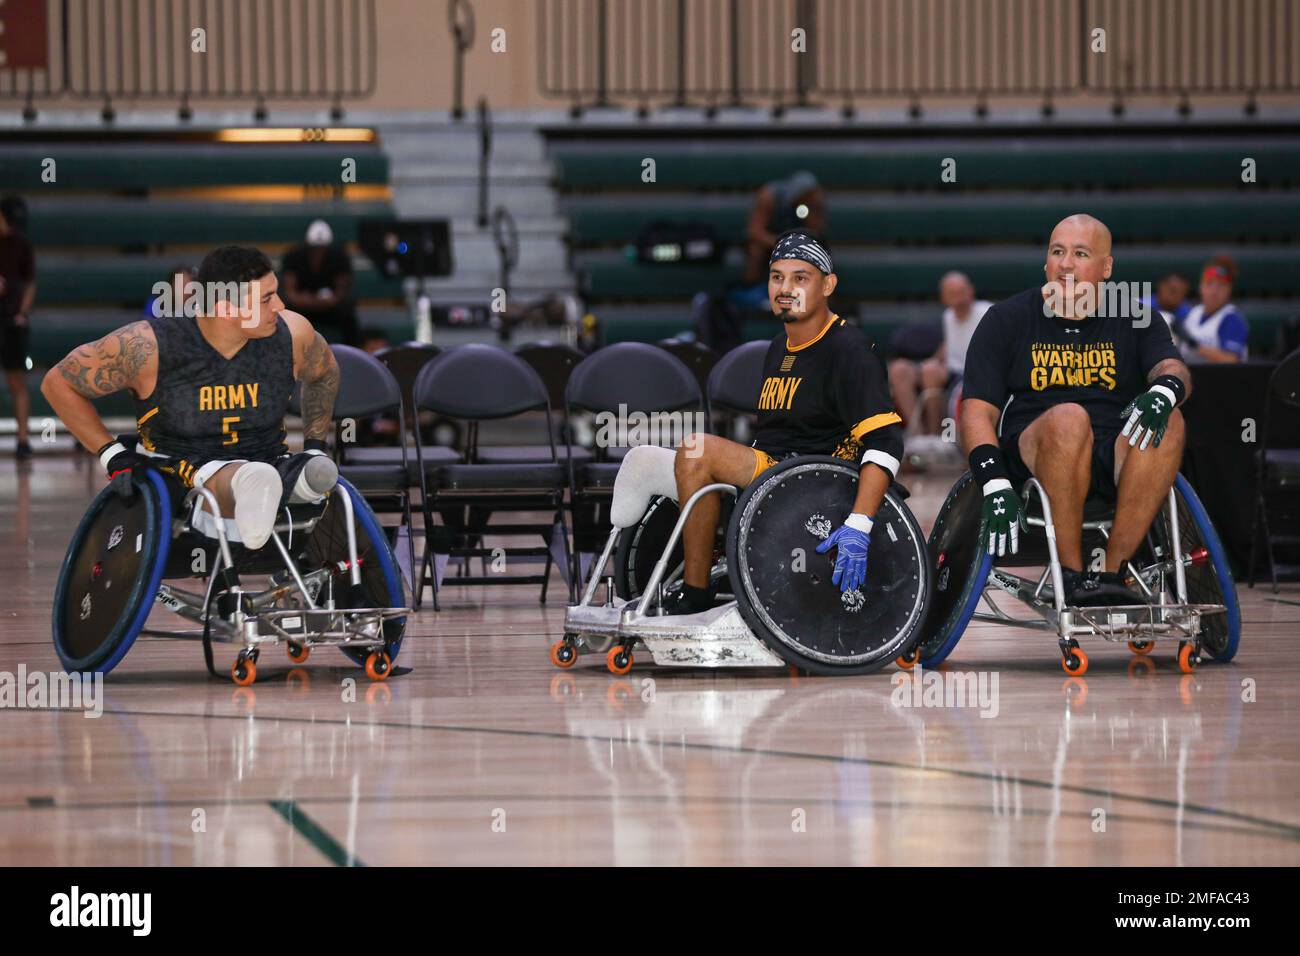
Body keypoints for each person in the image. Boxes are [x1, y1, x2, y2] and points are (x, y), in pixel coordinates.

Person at [41, 246, 341, 551]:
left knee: (319, 472)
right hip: (183, 470)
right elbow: (58, 383)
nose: (279, 305)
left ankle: (296, 482)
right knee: (250, 476)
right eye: (266, 299)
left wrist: (315, 444)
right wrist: (112, 454)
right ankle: (257, 487)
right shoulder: (148, 346)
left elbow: (325, 374)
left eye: (275, 293)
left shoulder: (292, 332)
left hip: (270, 459)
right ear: (226, 308)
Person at [959, 214, 1192, 607]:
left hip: (1112, 456)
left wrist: (1167, 391)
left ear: (1106, 267)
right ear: (1046, 262)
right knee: (1070, 418)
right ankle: (1071, 576)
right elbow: (976, 411)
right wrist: (993, 480)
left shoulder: (1136, 316)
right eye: (1057, 251)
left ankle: (1111, 575)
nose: (1066, 263)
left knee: (1169, 419)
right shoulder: (1006, 318)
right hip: (1035, 453)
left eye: (1080, 254)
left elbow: (1173, 368)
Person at [666, 230, 904, 614]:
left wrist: (859, 522)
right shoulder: (779, 346)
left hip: (814, 480)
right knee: (649, 460)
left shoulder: (849, 350)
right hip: (776, 469)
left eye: (800, 278)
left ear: (828, 285)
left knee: (697, 450)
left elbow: (888, 442)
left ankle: (696, 592)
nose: (785, 288)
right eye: (777, 276)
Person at [888, 271, 991, 434]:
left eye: (962, 292)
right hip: (951, 372)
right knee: (899, 370)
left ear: (971, 291)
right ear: (944, 298)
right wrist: (933, 360)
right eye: (954, 294)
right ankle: (917, 434)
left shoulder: (986, 312)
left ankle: (935, 435)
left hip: (971, 374)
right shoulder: (948, 316)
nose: (960, 298)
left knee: (930, 372)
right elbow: (949, 346)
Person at [280, 219, 359, 347]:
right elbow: (290, 293)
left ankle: (353, 355)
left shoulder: (339, 258)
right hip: (301, 309)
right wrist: (304, 300)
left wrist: (331, 300)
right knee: (283, 315)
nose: (318, 253)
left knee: (348, 314)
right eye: (315, 248)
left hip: (329, 308)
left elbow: (341, 291)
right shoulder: (293, 257)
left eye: (322, 249)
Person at [0, 195, 37, 461]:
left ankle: (23, 440)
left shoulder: (22, 244)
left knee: (17, 382)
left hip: (11, 321)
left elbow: (30, 282)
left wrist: (22, 313)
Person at [1175, 256, 1248, 364]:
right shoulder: (1194, 313)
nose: (1214, 291)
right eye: (1209, 284)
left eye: (1221, 285)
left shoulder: (1232, 319)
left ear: (1229, 290)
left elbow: (1232, 360)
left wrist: (1195, 345)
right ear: (1201, 287)